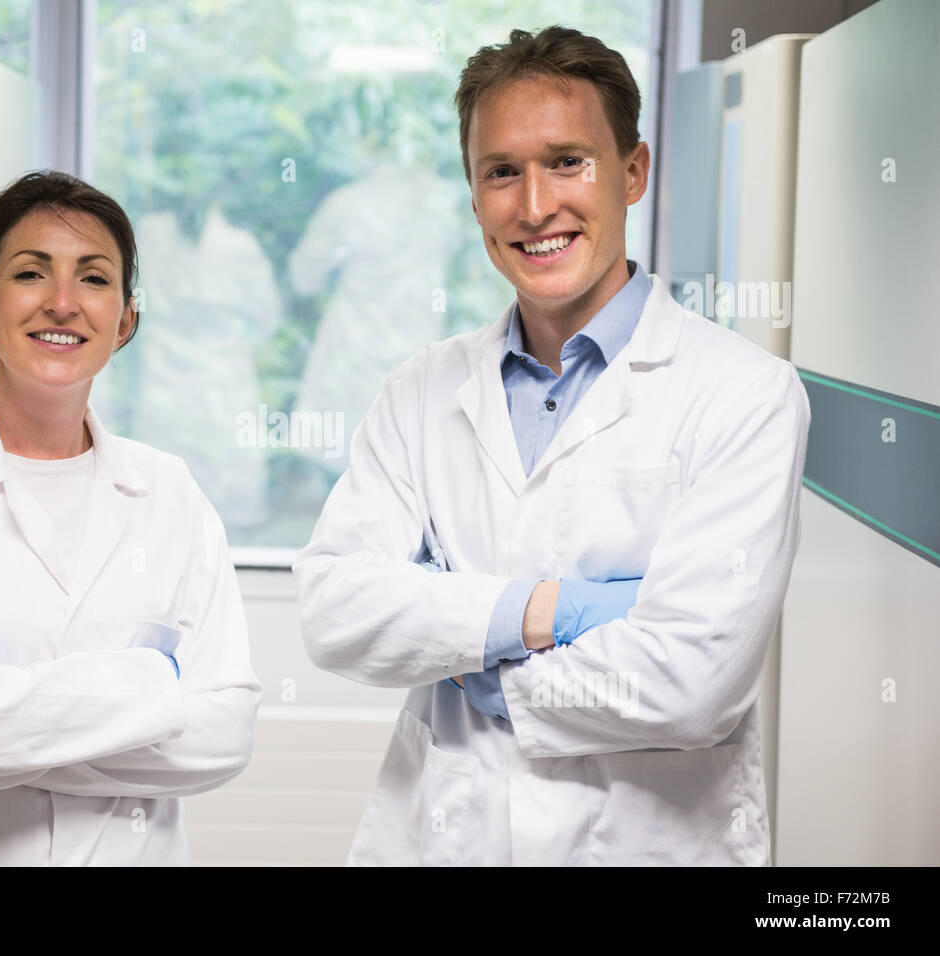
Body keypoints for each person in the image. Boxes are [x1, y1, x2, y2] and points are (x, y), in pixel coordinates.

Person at [293, 26, 811, 866]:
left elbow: (691, 686)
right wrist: (550, 612)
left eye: (568, 161)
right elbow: (335, 609)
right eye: (501, 171)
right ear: (473, 195)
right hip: (445, 838)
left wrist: (465, 655)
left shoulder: (745, 393)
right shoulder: (421, 389)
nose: (534, 206)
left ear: (633, 171)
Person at [0, 170, 261, 866]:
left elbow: (226, 735)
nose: (63, 304)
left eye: (93, 279)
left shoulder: (168, 491)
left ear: (125, 319)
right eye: (32, 273)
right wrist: (155, 685)